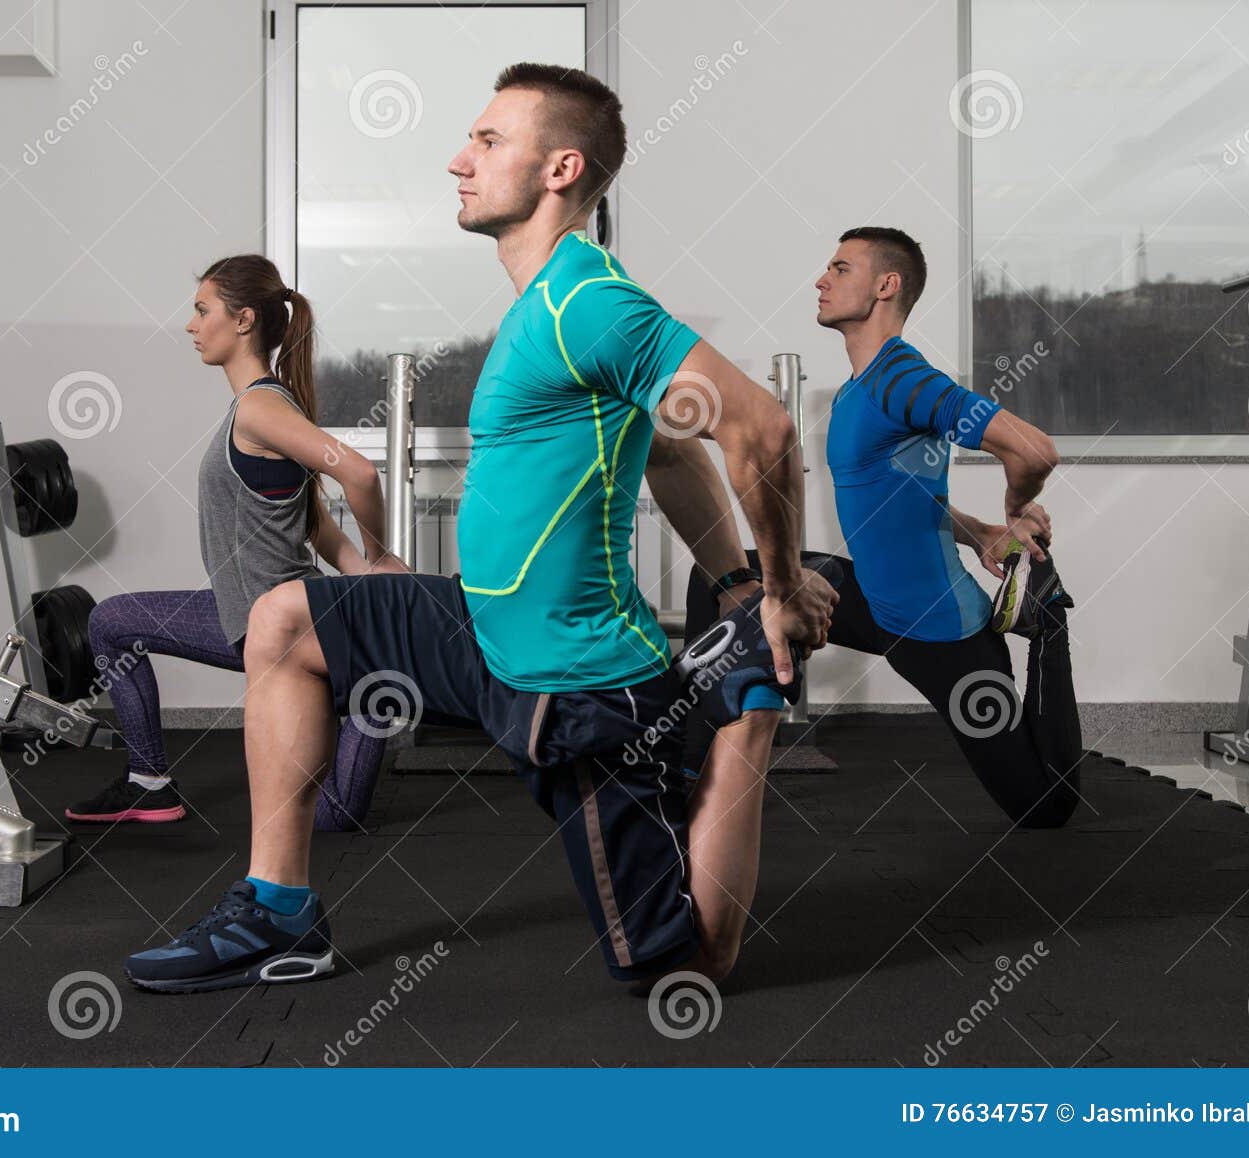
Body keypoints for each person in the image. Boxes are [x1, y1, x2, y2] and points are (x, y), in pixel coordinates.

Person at [123, 63, 837, 994]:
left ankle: (744, 700)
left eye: (489, 141)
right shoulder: (543, 302)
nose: (460, 159)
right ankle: (277, 912)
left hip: (571, 685)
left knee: (688, 962)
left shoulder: (590, 303)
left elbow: (759, 426)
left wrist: (772, 596)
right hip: (484, 627)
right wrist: (737, 576)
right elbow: (667, 448)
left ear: (560, 170)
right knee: (284, 622)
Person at [686, 226, 1082, 830]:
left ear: (886, 286)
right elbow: (902, 493)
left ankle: (1048, 621)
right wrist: (977, 531)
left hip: (940, 635)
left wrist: (1016, 505)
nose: (822, 279)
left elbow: (1035, 450)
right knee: (721, 572)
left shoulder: (904, 379)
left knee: (1043, 806)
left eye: (841, 269)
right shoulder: (859, 388)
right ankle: (694, 764)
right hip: (870, 601)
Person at [65, 254, 407, 825]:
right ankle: (149, 784)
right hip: (258, 617)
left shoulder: (259, 408)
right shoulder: (265, 406)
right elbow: (311, 517)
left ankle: (363, 681)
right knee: (112, 622)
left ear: (243, 320)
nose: (191, 325)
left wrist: (381, 559)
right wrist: (361, 573)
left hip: (276, 622)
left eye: (203, 310)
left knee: (331, 817)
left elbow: (361, 473)